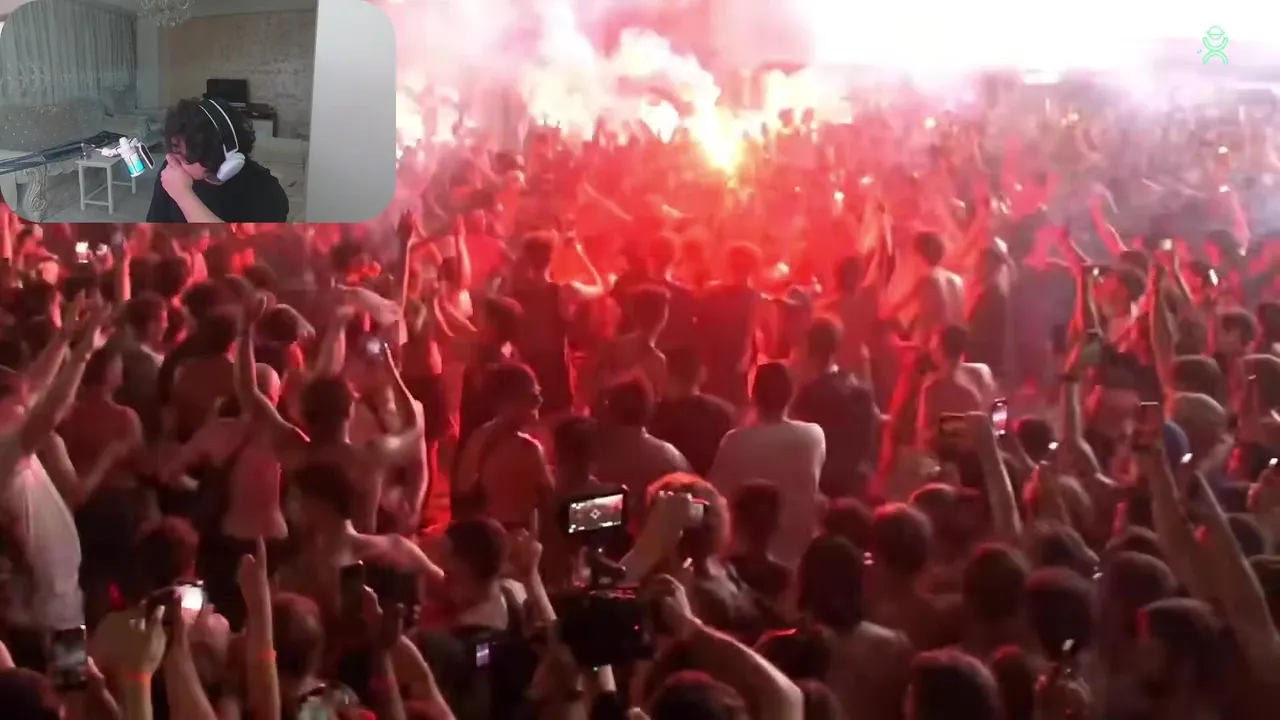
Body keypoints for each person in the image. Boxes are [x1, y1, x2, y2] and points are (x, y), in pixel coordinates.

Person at [710, 362, 825, 565]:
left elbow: (715, 496)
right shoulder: (813, 436)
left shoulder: (736, 441)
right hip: (798, 554)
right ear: (791, 394)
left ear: (753, 396)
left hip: (744, 558)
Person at [147, 98, 289, 223]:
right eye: (174, 148)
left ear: (216, 158)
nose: (171, 159)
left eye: (186, 159)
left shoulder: (268, 194)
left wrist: (183, 194)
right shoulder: (172, 171)